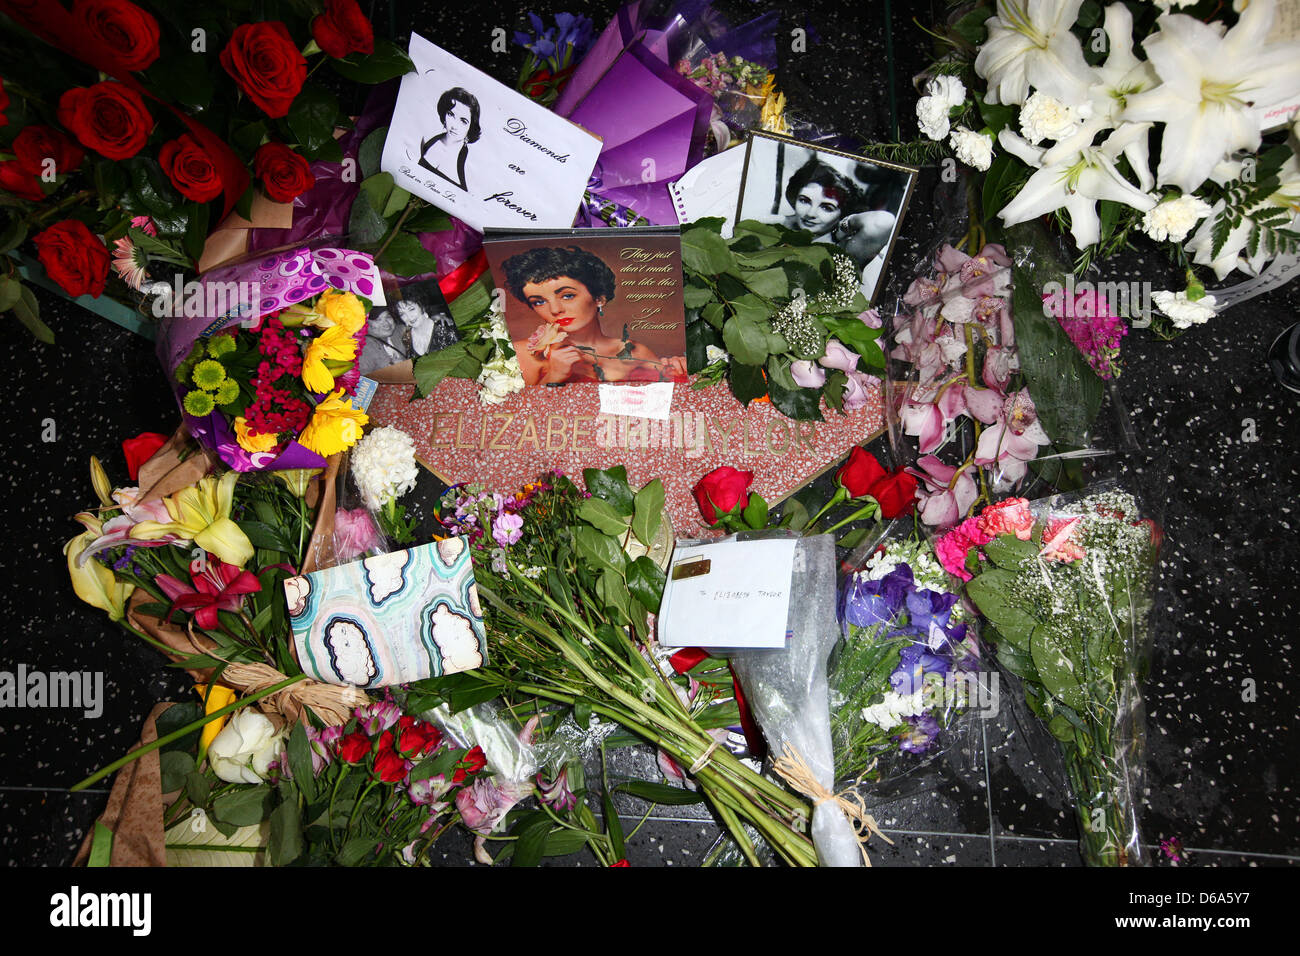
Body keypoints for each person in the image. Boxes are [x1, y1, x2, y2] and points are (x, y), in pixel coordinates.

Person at [503, 245, 688, 385]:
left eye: (567, 295)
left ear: (599, 298)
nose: (554, 309)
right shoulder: (525, 354)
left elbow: (667, 405)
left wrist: (678, 370)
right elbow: (517, 422)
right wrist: (554, 376)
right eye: (539, 301)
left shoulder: (635, 351)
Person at [779, 156, 901, 298]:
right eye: (804, 201)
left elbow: (882, 221)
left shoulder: (844, 246)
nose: (811, 213)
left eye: (827, 208)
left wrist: (840, 230)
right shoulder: (779, 228)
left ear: (843, 212)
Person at [419, 87, 481, 192]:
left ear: (471, 127)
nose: (454, 126)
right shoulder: (427, 140)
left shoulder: (470, 164)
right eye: (451, 114)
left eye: (463, 121)